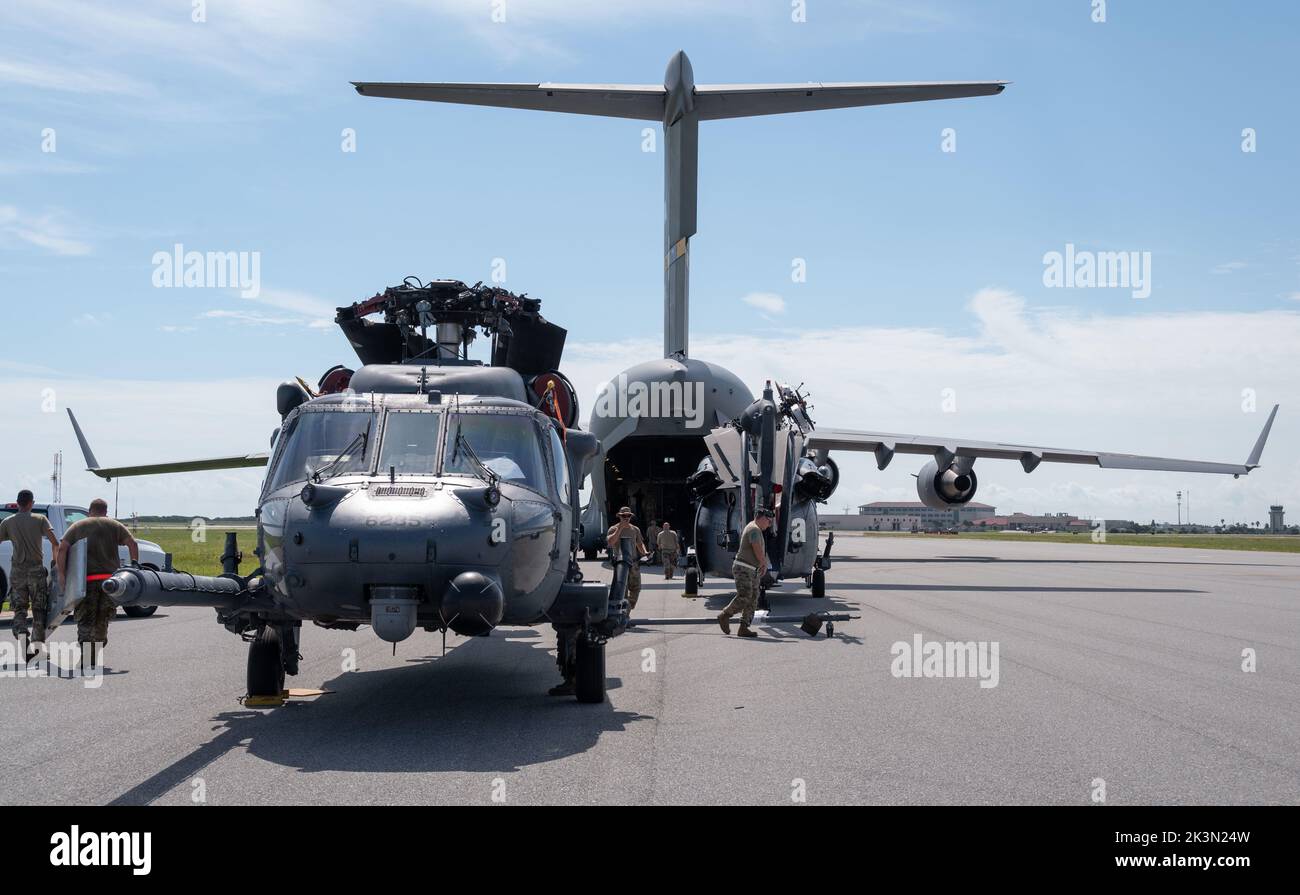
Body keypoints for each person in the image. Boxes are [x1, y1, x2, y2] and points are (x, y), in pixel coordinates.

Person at [57, 498, 137, 669]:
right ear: (105, 511)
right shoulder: (115, 525)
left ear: (90, 510)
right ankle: (94, 653)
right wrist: (134, 566)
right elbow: (132, 543)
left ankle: (87, 656)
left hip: (86, 582)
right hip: (110, 583)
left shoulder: (79, 525)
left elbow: (63, 548)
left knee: (85, 620)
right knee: (103, 619)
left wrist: (62, 575)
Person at [0, 490, 59, 658]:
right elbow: (55, 543)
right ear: (31, 503)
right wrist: (55, 563)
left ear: (18, 503)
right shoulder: (40, 519)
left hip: (17, 571)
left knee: (19, 609)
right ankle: (38, 647)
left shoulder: (7, 522)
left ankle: (22, 636)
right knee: (39, 609)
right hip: (36, 571)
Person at [718, 507, 774, 639]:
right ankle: (725, 615)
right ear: (762, 518)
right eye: (769, 521)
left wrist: (761, 564)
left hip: (752, 570)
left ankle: (744, 627)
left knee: (753, 598)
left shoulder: (756, 529)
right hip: (743, 568)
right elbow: (756, 547)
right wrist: (763, 563)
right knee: (745, 596)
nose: (769, 523)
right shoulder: (754, 529)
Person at [606, 506, 647, 610]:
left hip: (633, 563)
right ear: (619, 516)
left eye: (628, 515)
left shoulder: (635, 529)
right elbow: (611, 542)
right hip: (621, 563)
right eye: (624, 515)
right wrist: (620, 528)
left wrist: (645, 553)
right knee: (621, 590)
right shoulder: (613, 529)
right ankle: (623, 614)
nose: (626, 517)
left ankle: (627, 608)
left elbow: (640, 543)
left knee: (636, 588)